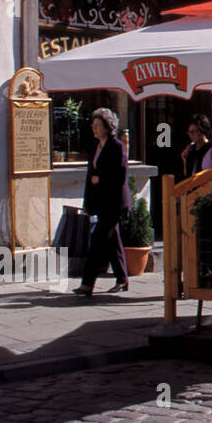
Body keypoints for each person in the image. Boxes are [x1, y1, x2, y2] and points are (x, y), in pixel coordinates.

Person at [72, 108, 131, 296]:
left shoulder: (118, 146)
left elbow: (120, 175)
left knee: (97, 241)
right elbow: (91, 176)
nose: (94, 128)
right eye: (93, 125)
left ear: (108, 127)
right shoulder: (95, 147)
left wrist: (101, 179)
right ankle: (122, 280)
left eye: (98, 125)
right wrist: (88, 202)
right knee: (113, 242)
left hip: (113, 203)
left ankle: (87, 284)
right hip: (100, 202)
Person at [180, 113, 212, 180]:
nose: (192, 135)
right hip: (191, 188)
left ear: (203, 131)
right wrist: (185, 159)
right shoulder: (191, 148)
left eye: (195, 131)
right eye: (190, 132)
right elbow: (187, 173)